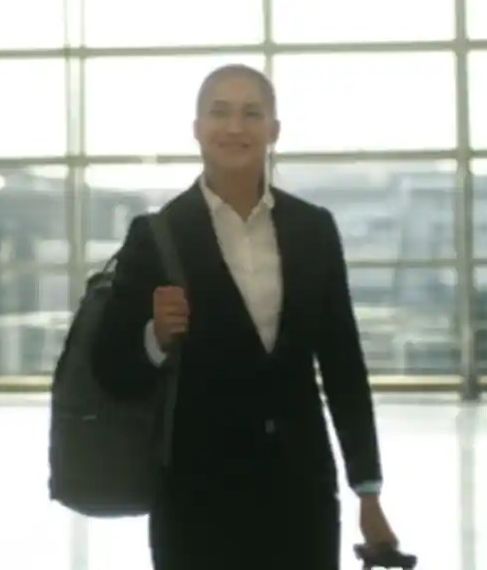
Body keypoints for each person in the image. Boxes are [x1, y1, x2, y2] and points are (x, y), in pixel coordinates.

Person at [91, 64, 401, 569]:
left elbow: (343, 363)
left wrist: (367, 490)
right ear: (197, 128)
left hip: (300, 493)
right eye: (220, 112)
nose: (235, 127)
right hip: (196, 498)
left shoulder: (313, 230)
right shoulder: (157, 235)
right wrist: (155, 337)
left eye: (252, 114)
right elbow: (109, 369)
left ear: (274, 130)